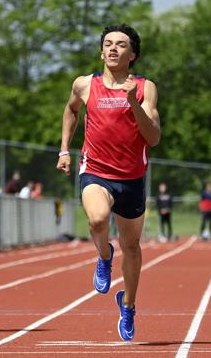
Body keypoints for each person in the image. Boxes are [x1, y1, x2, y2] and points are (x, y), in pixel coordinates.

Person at [56, 24, 160, 342]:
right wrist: (64, 148)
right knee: (98, 218)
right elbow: (71, 110)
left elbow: (153, 137)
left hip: (131, 179)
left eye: (121, 44)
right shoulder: (85, 85)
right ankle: (103, 257)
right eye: (108, 44)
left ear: (133, 55)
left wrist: (132, 103)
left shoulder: (145, 88)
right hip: (96, 170)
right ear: (101, 51)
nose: (113, 48)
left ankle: (127, 305)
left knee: (132, 247)